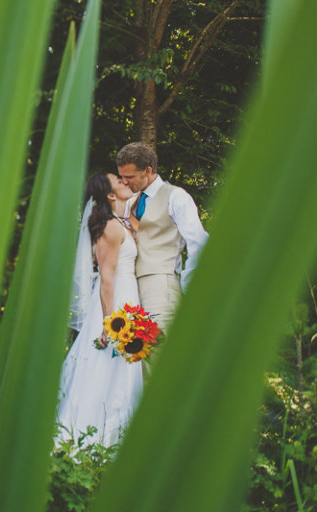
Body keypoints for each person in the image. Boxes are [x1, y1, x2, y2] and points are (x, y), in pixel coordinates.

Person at [56, 173, 143, 447]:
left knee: (123, 370)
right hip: (114, 305)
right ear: (109, 195)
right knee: (103, 368)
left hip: (129, 299)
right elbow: (106, 277)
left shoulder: (121, 223)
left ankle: (120, 440)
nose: (125, 181)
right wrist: (110, 323)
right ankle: (91, 441)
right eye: (118, 181)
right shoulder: (109, 227)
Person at [117, 142, 208, 373]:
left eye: (130, 176)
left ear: (148, 171)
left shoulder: (176, 197)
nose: (125, 182)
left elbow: (198, 241)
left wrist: (187, 285)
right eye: (122, 177)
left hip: (162, 285)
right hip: (131, 289)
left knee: (162, 363)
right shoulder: (130, 202)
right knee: (137, 366)